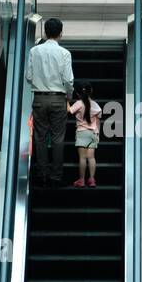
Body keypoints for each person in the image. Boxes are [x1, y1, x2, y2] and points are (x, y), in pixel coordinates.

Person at [26, 18, 73, 188]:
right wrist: (68, 96)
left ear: (45, 33)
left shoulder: (34, 51)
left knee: (40, 137)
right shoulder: (64, 53)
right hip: (58, 98)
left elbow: (29, 77)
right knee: (58, 139)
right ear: (61, 33)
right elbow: (68, 80)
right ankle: (56, 176)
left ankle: (42, 174)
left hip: (39, 98)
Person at [68, 82, 102, 188]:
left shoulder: (79, 103)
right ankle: (92, 180)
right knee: (91, 158)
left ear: (78, 94)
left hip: (81, 133)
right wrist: (98, 134)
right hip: (93, 133)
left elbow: (69, 111)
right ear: (90, 92)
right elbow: (98, 120)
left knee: (82, 158)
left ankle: (81, 180)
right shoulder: (95, 104)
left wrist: (66, 100)